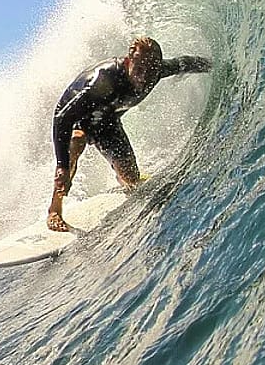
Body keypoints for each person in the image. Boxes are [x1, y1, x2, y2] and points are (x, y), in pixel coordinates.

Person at [47, 37, 211, 232]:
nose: (145, 76)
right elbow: (62, 117)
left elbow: (183, 63)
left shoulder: (156, 71)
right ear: (127, 62)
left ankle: (123, 177)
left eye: (151, 70)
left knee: (132, 179)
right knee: (76, 142)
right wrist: (62, 166)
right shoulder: (103, 80)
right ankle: (55, 209)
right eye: (139, 69)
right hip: (79, 117)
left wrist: (210, 65)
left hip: (108, 121)